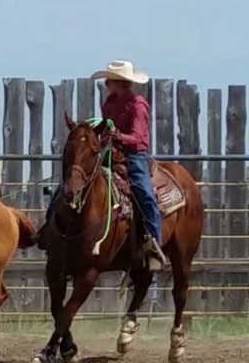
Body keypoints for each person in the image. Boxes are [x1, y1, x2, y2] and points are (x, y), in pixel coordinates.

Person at [37, 60, 167, 271]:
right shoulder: (109, 103)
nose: (107, 83)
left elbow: (139, 139)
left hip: (134, 156)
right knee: (70, 184)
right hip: (109, 151)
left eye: (110, 80)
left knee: (145, 194)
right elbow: (106, 125)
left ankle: (154, 243)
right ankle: (47, 229)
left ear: (120, 82)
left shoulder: (138, 105)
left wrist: (118, 136)